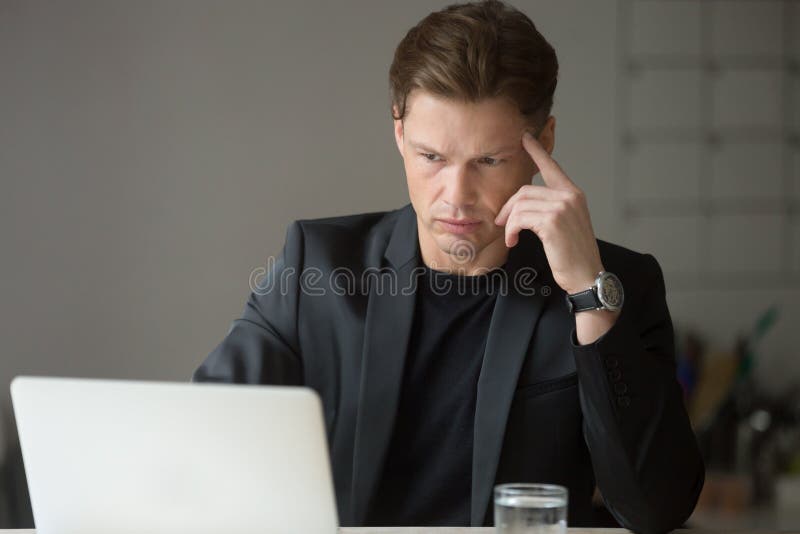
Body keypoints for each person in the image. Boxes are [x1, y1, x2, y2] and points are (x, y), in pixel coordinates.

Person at [191, 1, 705, 532]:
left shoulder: (616, 283)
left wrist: (588, 296)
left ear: (543, 144)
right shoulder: (317, 267)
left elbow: (654, 510)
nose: (456, 197)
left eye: (488, 161)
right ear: (399, 135)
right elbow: (201, 437)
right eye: (432, 157)